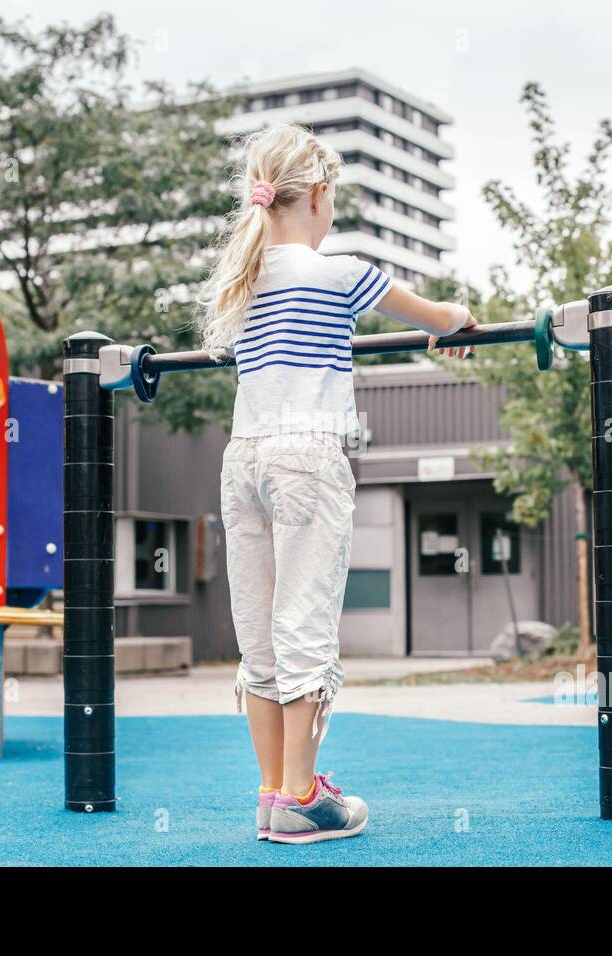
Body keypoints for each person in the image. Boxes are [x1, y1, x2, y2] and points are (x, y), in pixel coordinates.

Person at [196, 124, 476, 844]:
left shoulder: (243, 278)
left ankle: (270, 793)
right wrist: (457, 321)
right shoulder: (341, 270)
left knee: (258, 633)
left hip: (244, 460)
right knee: (305, 626)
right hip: (307, 460)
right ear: (318, 196)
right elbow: (437, 319)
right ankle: (301, 794)